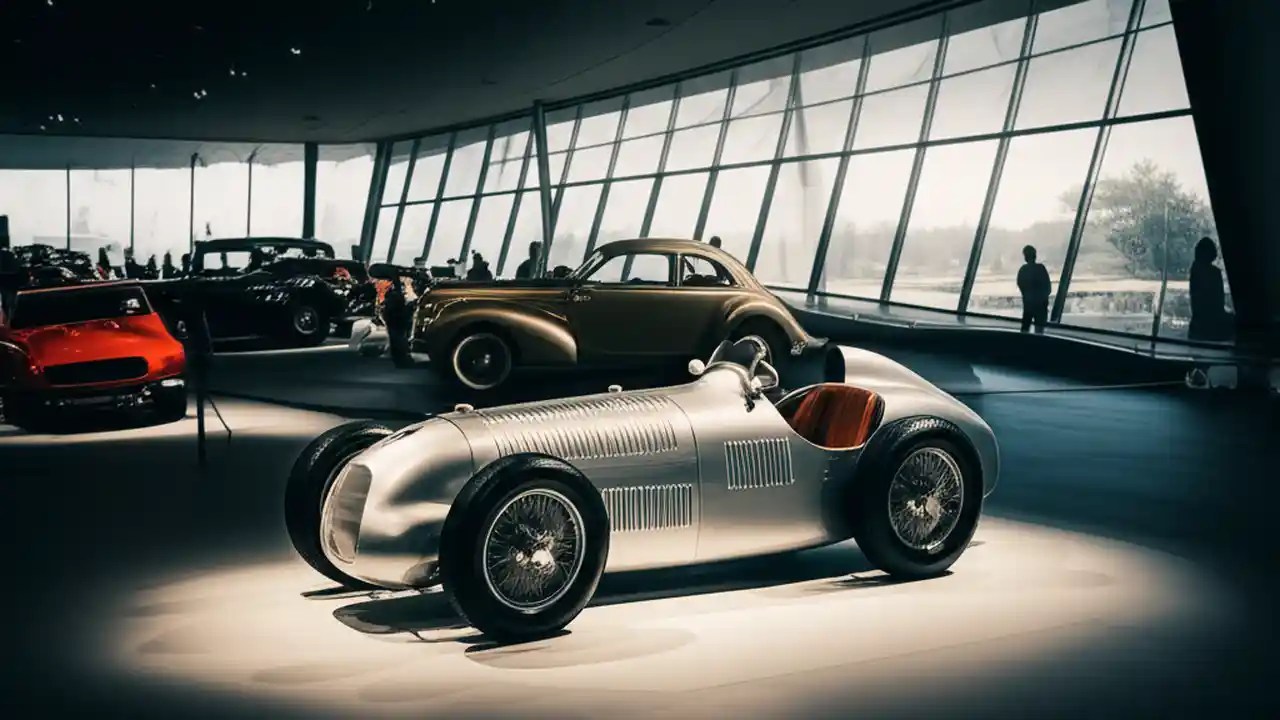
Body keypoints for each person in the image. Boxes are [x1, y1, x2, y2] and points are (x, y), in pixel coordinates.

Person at [1188, 236, 1230, 341]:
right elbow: (1219, 300)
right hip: (1213, 322)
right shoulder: (1214, 273)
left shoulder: (1195, 270)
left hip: (1199, 322)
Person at [1016, 244, 1051, 334]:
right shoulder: (1041, 269)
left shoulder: (1023, 270)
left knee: (1025, 329)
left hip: (1028, 305)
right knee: (1039, 331)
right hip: (1041, 305)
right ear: (1035, 255)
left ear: (1025, 257)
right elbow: (1048, 287)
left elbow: (1021, 285)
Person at [381, 274, 414, 368]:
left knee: (395, 340)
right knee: (399, 340)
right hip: (398, 321)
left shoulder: (392, 294)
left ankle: (399, 361)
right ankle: (402, 361)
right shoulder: (396, 296)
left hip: (393, 321)